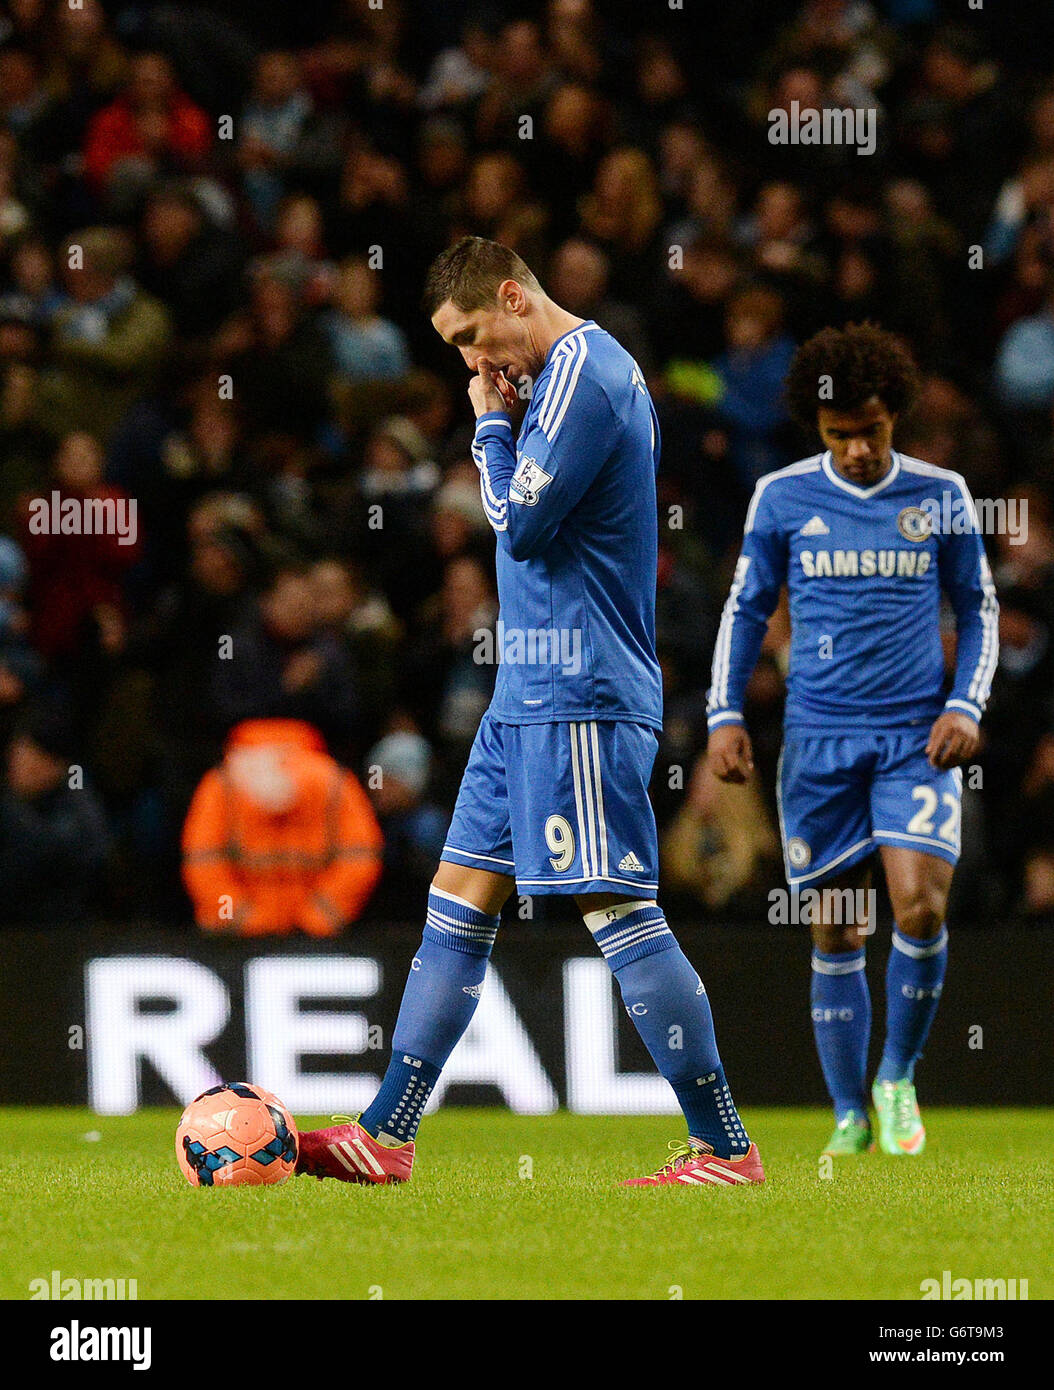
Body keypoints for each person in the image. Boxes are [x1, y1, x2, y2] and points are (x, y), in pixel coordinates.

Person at [296, 235, 764, 1188]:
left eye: (474, 339)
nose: (474, 366)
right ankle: (388, 1135)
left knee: (616, 907)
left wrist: (486, 427)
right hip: (529, 694)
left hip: (582, 692)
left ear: (514, 298)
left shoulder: (586, 378)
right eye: (459, 354)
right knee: (457, 903)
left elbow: (516, 518)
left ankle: (724, 1146)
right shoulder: (551, 379)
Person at [706, 323, 999, 1158]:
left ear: (894, 415)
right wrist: (725, 713)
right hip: (819, 743)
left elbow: (977, 610)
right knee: (838, 928)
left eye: (872, 429)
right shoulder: (783, 498)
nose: (861, 449)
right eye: (842, 435)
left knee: (920, 904)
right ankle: (847, 1113)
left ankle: (897, 1076)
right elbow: (745, 611)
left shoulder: (940, 495)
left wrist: (965, 707)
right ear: (819, 430)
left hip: (915, 737)